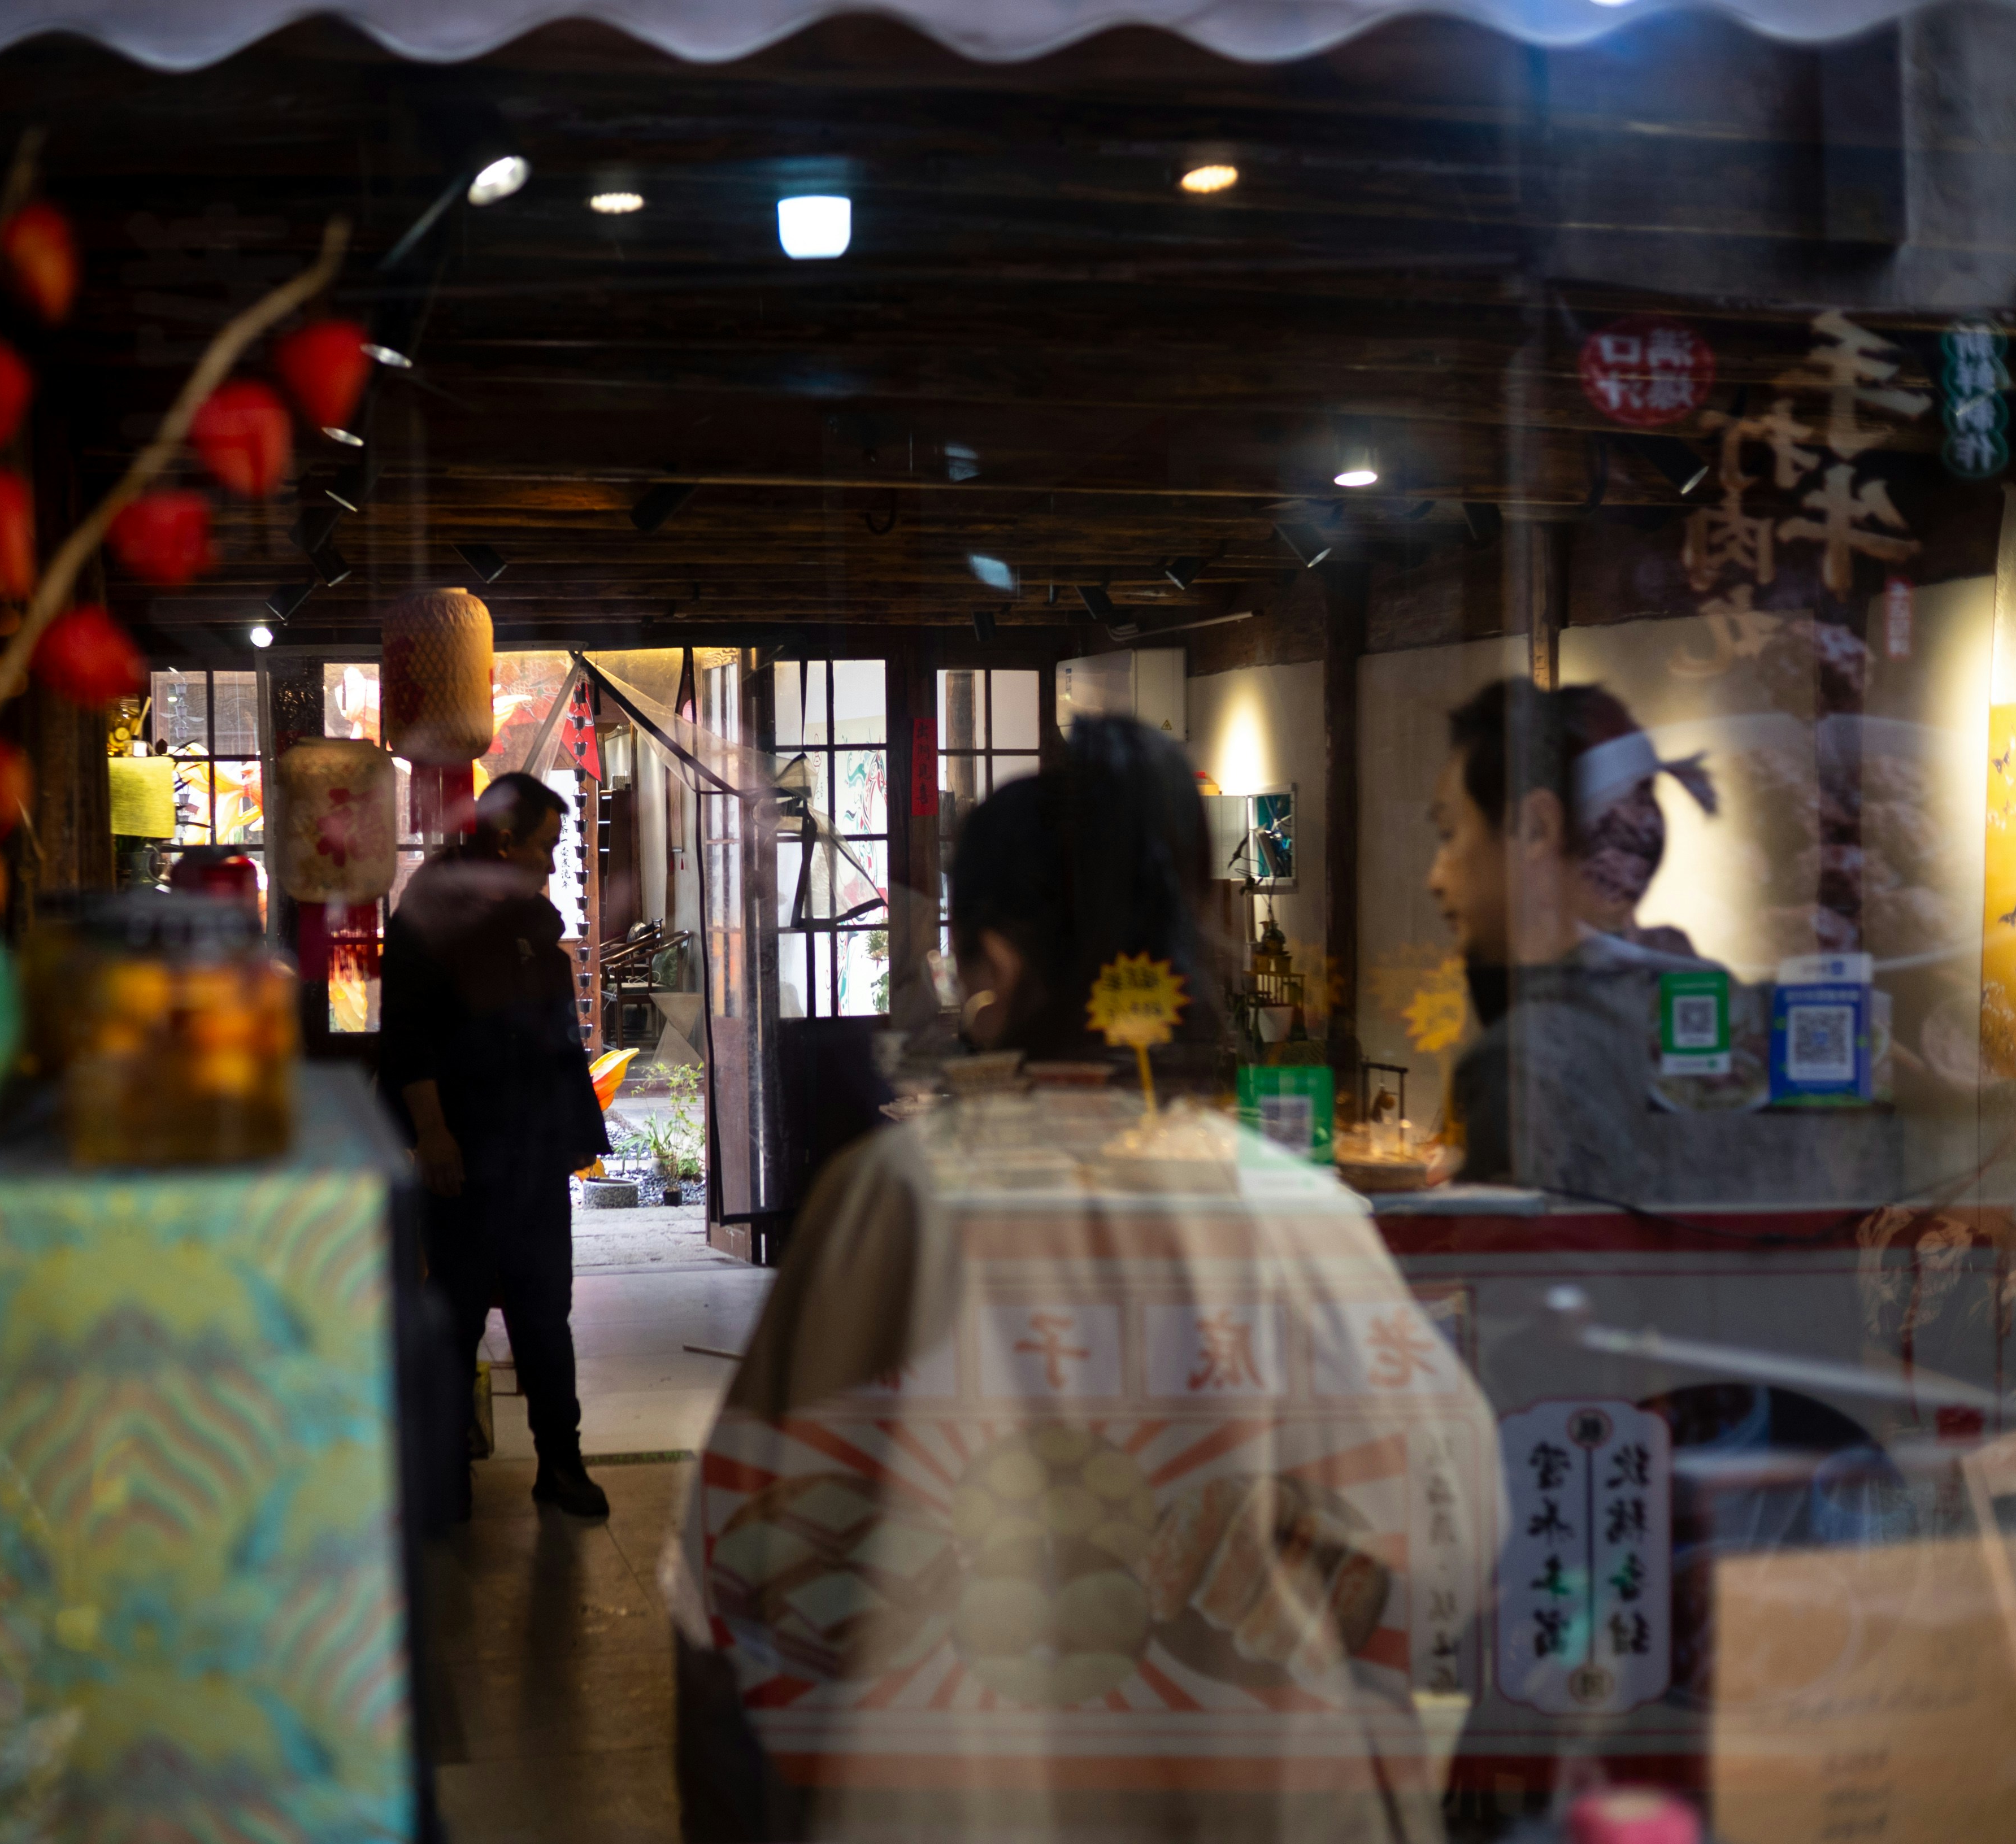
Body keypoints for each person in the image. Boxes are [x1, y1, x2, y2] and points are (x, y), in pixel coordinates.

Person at [666, 717, 1497, 1842]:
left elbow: (738, 1570)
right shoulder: (1304, 1216)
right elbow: (1447, 1531)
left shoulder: (897, 1200)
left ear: (997, 966)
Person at [380, 771, 612, 1520]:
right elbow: (407, 1034)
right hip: (469, 1153)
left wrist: (572, 1129)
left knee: (546, 1312)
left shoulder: (525, 913)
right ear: (506, 839)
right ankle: (445, 1476)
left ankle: (561, 1463)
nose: (552, 862)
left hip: (534, 1150)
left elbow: (554, 1035)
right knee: (455, 1317)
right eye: (546, 845)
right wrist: (434, 1133)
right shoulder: (433, 909)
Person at [1424, 679, 1717, 1197]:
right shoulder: (1716, 1006)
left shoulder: (1523, 1065)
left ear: (1537, 829)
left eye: (1450, 834)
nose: (1436, 877)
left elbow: (1530, 1268)